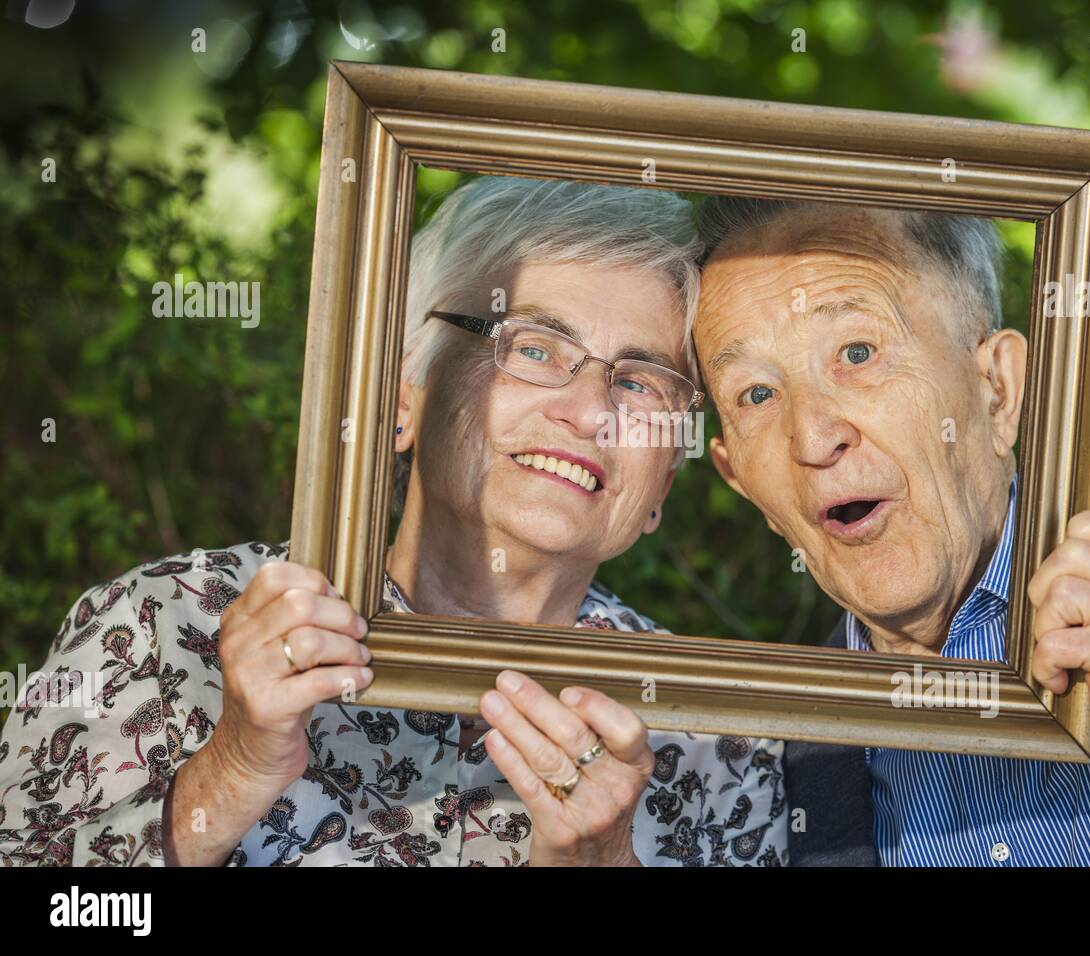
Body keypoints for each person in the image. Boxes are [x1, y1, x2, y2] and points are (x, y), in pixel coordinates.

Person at [0, 178, 787, 867]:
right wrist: (230, 771)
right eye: (535, 348)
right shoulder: (163, 625)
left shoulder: (715, 738)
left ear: (663, 481)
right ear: (405, 395)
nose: (587, 412)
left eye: (641, 382)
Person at [691, 194, 1090, 866]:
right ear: (742, 482)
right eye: (755, 393)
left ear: (998, 391)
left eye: (858, 352)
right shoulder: (783, 769)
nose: (811, 436)